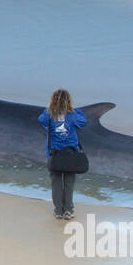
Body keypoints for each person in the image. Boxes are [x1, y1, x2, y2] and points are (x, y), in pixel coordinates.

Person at [38, 89, 87, 219]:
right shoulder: (73, 115)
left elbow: (40, 120)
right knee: (69, 183)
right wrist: (75, 110)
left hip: (54, 155)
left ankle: (58, 210)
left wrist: (50, 109)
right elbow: (83, 122)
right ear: (69, 101)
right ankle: (68, 210)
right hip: (71, 154)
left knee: (56, 183)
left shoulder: (48, 115)